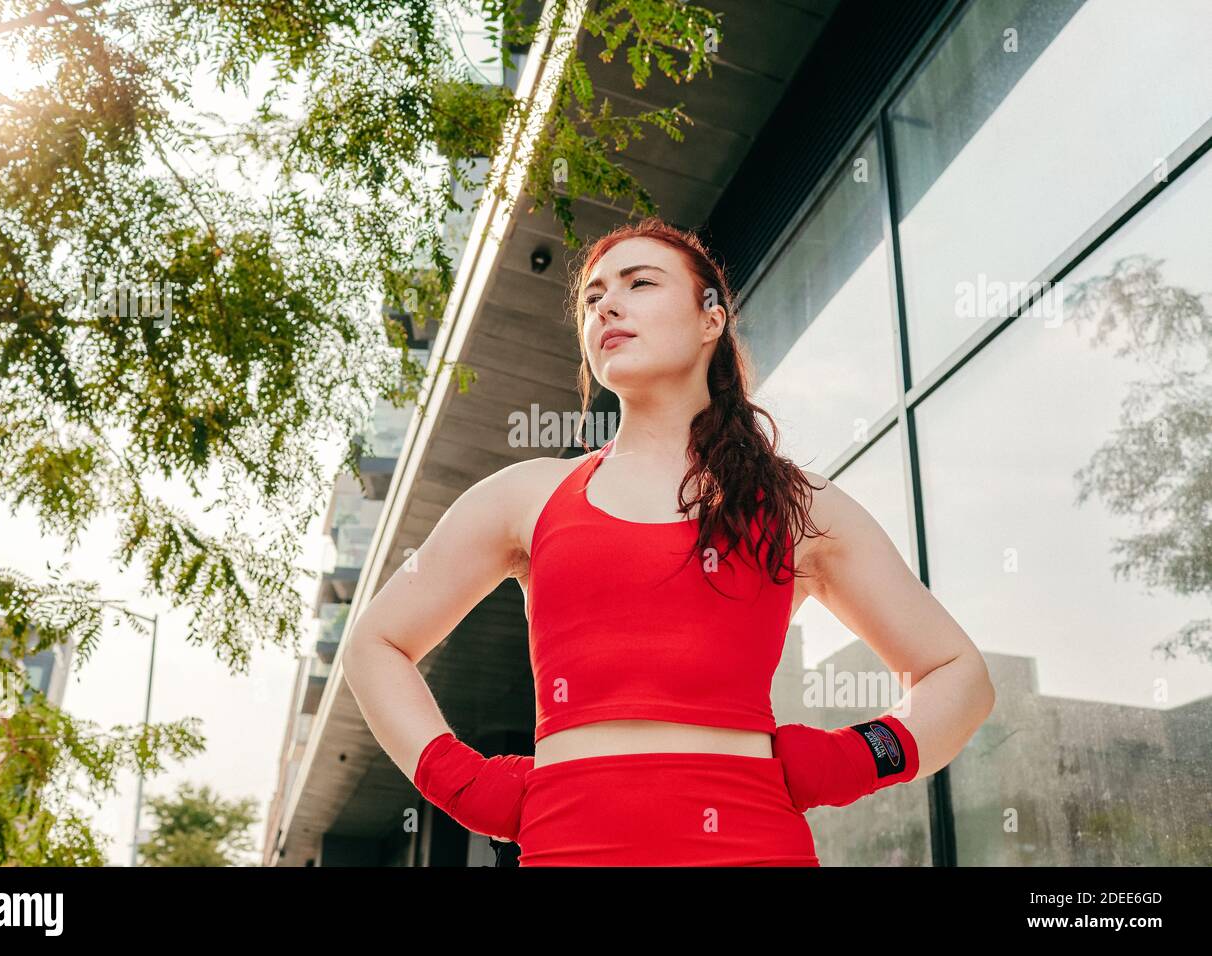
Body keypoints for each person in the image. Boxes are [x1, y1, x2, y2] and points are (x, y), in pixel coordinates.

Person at [342, 216, 996, 866]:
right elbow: (376, 644)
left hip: (752, 844)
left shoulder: (798, 505)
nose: (608, 306)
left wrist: (845, 760)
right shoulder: (526, 494)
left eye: (639, 283)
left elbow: (958, 677)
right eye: (593, 298)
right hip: (568, 845)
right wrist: (466, 783)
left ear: (710, 319)